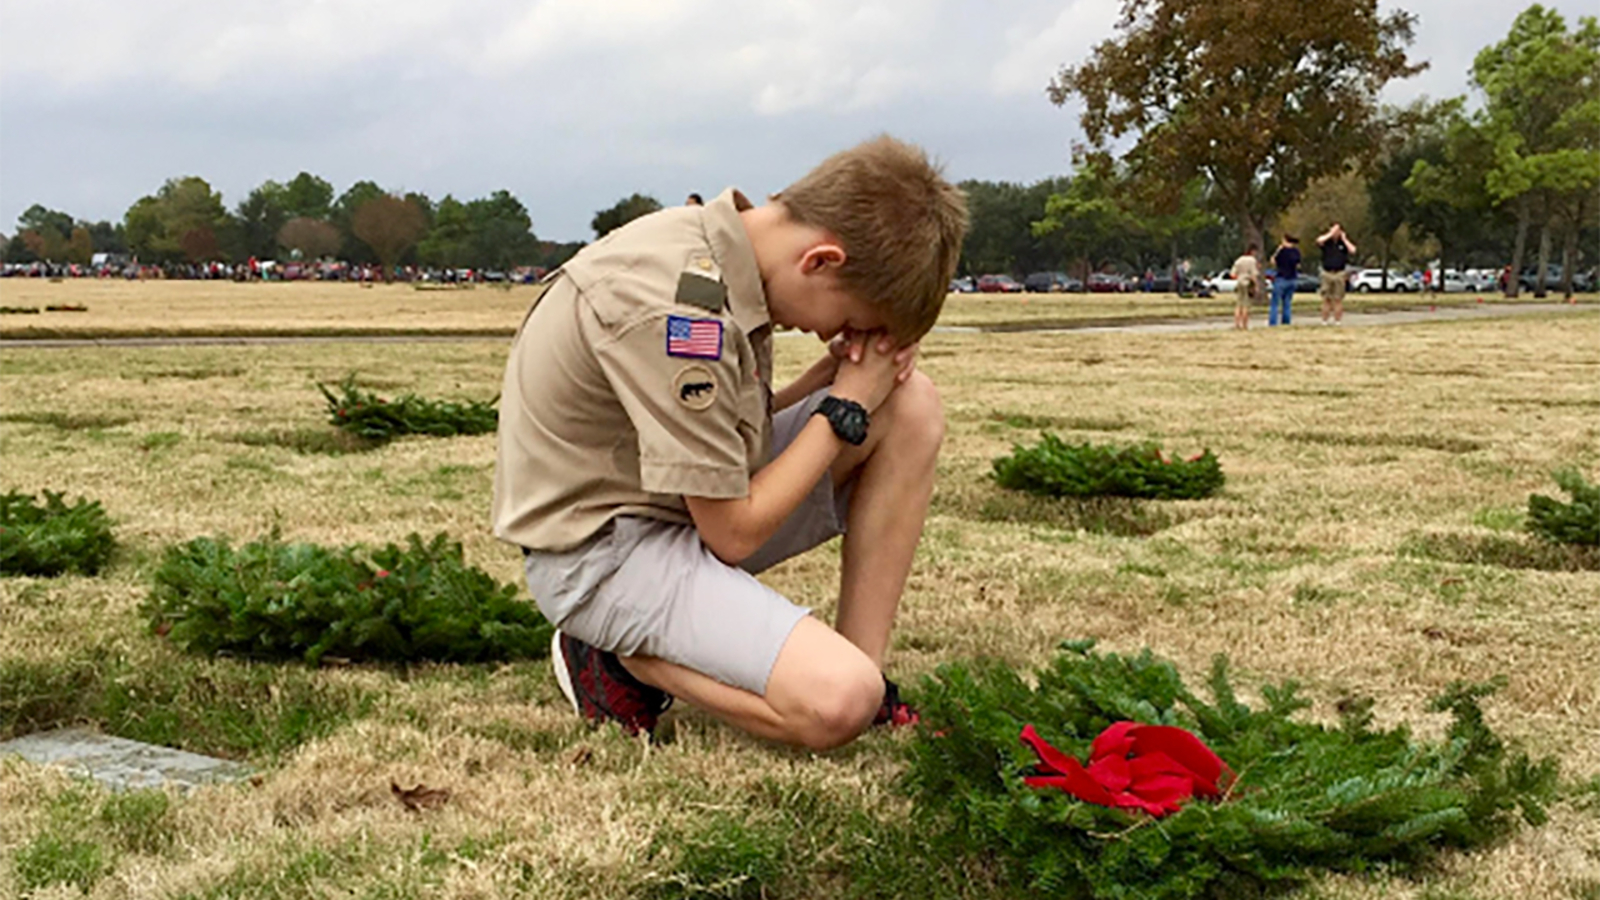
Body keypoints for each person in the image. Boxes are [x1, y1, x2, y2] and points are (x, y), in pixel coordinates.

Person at [492, 136, 968, 750]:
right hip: (600, 552)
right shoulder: (676, 308)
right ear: (821, 261)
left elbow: (713, 434)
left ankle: (866, 672)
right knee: (835, 704)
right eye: (851, 320)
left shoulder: (726, 251)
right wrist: (845, 405)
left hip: (674, 504)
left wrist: (830, 382)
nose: (838, 333)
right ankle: (613, 657)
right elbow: (733, 530)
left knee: (910, 404)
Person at [1317, 223, 1356, 325]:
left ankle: (1337, 321)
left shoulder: (1343, 244)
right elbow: (1319, 241)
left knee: (1338, 299)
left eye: (1337, 230)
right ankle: (1324, 321)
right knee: (1326, 298)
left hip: (1339, 273)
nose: (1335, 233)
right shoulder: (1327, 242)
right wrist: (1330, 234)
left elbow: (1353, 250)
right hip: (1327, 273)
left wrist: (1344, 239)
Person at [1269, 234, 1301, 326]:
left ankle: (1273, 322)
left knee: (1275, 303)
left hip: (1281, 278)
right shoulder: (1296, 252)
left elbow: (1272, 261)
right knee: (1287, 302)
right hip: (1292, 278)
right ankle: (1286, 322)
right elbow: (1298, 265)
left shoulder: (1281, 252)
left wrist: (1278, 249)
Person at [1231, 243, 1260, 331]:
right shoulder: (1252, 260)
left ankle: (1236, 324)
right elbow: (1254, 275)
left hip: (1239, 282)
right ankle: (1244, 325)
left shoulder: (1239, 260)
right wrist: (1256, 285)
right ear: (1253, 251)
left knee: (1238, 304)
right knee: (1245, 305)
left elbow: (1232, 274)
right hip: (1248, 283)